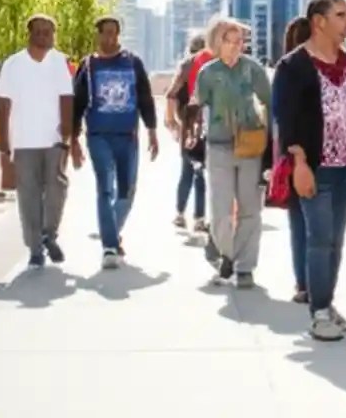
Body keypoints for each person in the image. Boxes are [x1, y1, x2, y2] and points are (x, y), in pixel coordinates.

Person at [274, 0, 346, 341]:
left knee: (335, 240)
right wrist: (299, 163)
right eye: (341, 16)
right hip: (315, 167)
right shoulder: (293, 66)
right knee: (318, 239)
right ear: (319, 21)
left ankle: (326, 302)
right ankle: (318, 311)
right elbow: (286, 120)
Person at [71, 16, 160, 269]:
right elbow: (77, 104)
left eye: (114, 33)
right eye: (105, 33)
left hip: (127, 137)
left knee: (126, 192)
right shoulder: (88, 66)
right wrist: (74, 139)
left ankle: (110, 228)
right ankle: (109, 246)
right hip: (98, 136)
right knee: (104, 189)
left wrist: (152, 131)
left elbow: (145, 97)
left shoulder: (132, 62)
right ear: (98, 35)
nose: (110, 38)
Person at [189, 17, 271, 288]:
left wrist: (272, 144)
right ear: (217, 42)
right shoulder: (208, 72)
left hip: (250, 144)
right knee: (220, 210)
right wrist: (189, 134)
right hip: (219, 145)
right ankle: (226, 253)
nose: (237, 46)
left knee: (250, 209)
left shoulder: (253, 70)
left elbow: (270, 103)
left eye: (240, 41)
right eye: (230, 40)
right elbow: (197, 105)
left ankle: (245, 267)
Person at [0, 15, 76, 269]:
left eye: (48, 32)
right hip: (23, 141)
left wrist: (67, 135)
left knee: (57, 188)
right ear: (29, 34)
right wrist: (3, 146)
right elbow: (2, 104)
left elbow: (67, 98)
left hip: (54, 140)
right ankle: (35, 248)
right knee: (28, 196)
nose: (43, 35)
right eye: (38, 31)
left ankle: (48, 234)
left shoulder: (59, 62)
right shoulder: (13, 64)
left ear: (54, 35)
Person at [274, 16, 312, 303]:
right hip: (322, 157)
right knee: (322, 227)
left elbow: (278, 121)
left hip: (291, 156)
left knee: (299, 223)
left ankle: (303, 283)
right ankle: (316, 282)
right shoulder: (324, 66)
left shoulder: (284, 70)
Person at [164, 33, 209, 232]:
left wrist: (171, 120)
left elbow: (171, 94)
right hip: (205, 124)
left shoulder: (186, 65)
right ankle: (198, 217)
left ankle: (180, 213)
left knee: (187, 171)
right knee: (199, 173)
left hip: (187, 125)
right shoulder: (211, 64)